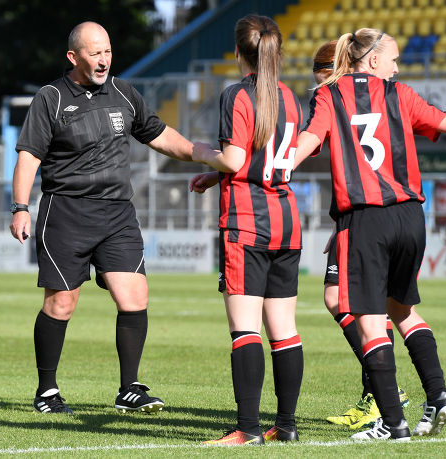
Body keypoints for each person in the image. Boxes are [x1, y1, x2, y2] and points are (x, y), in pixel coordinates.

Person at [9, 21, 194, 415]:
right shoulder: (51, 98)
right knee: (62, 303)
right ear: (74, 57)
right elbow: (28, 156)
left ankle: (129, 388)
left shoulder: (124, 93)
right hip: (67, 213)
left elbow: (159, 135)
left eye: (108, 51)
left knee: (135, 296)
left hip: (117, 214)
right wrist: (21, 206)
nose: (104, 60)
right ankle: (47, 390)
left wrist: (202, 153)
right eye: (95, 53)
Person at [294, 28, 446, 441]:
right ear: (374, 61)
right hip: (411, 216)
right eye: (394, 60)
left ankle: (393, 423)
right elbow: (444, 123)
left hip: (368, 219)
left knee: (369, 323)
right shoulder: (402, 95)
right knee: (400, 309)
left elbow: (311, 137)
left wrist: (280, 163)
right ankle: (439, 394)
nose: (397, 68)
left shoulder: (331, 94)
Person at [189, 14, 303, 446]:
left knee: (245, 329)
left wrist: (202, 155)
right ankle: (287, 426)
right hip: (286, 222)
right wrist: (218, 176)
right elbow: (271, 156)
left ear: (238, 53)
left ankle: (248, 429)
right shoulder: (290, 99)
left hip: (246, 223)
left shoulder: (237, 95)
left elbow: (236, 159)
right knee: (284, 329)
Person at [313, 40, 409, 430]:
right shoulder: (352, 98)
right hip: (367, 215)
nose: (316, 81)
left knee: (345, 299)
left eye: (319, 72)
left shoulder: (332, 97)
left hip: (368, 217)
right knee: (362, 300)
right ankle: (382, 392)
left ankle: (384, 393)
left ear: (327, 69)